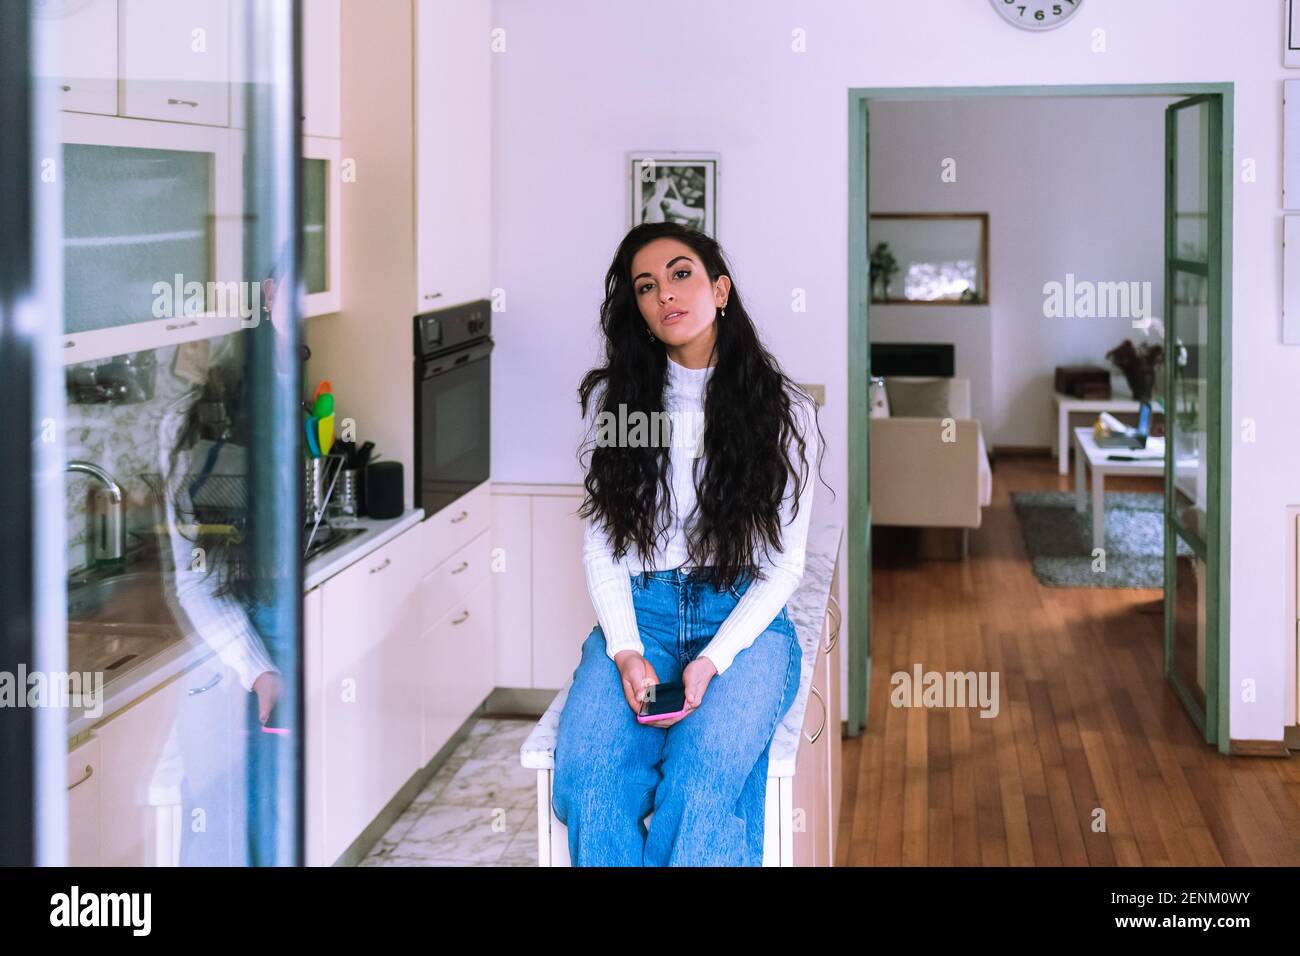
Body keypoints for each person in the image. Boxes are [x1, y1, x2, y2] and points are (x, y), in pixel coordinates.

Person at [551, 221, 829, 866]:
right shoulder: (615, 406)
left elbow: (783, 568)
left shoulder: (786, 413)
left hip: (740, 621)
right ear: (639, 312)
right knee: (589, 779)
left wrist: (713, 660)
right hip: (640, 615)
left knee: (702, 785)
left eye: (681, 274)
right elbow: (603, 549)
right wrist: (624, 651)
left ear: (720, 290)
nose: (665, 295)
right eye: (646, 287)